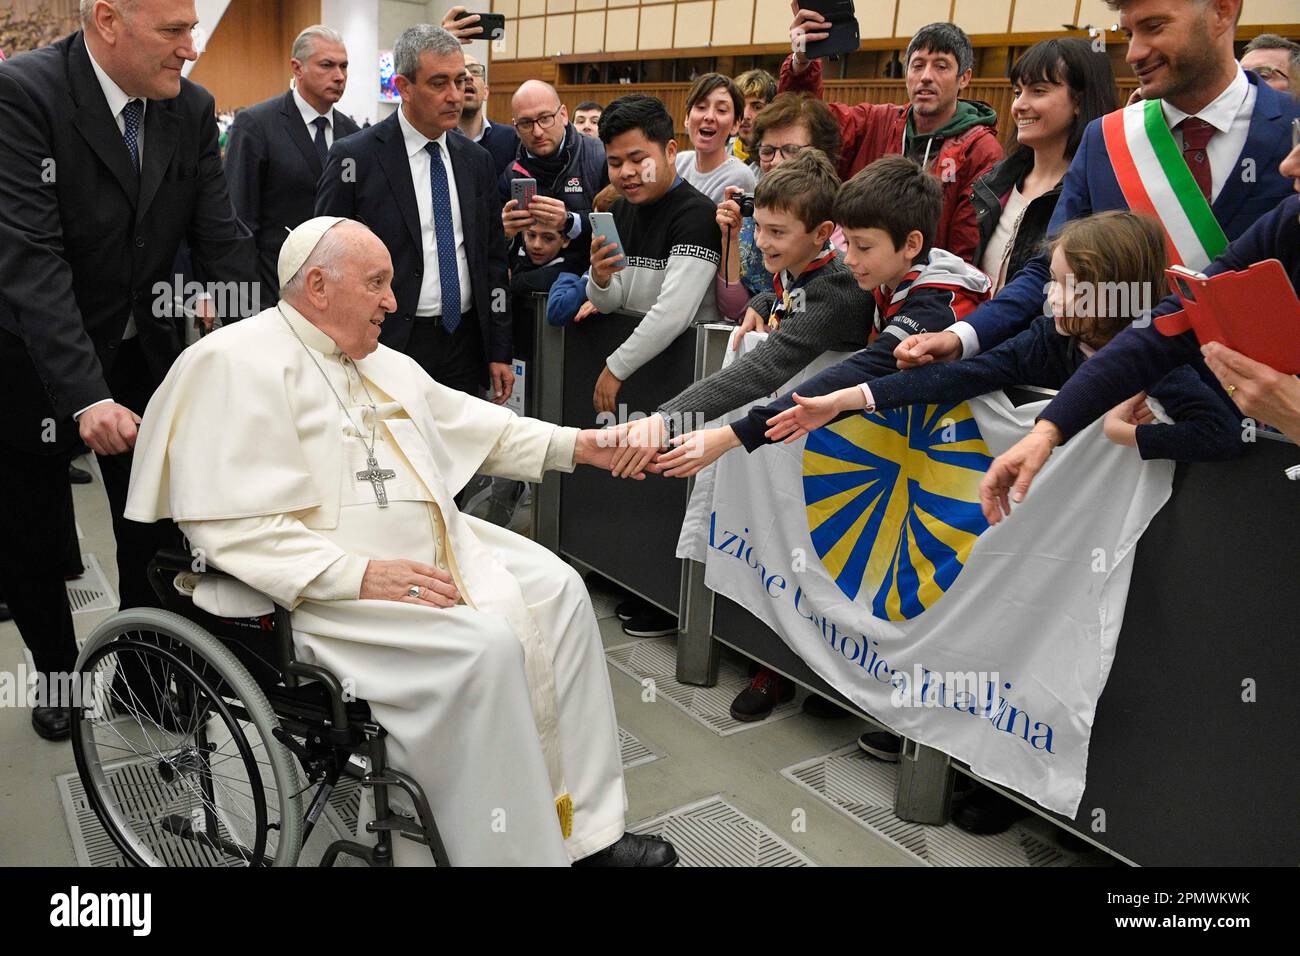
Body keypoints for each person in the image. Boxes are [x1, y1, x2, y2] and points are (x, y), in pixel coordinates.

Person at [124, 216, 677, 868]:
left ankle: (586, 835)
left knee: (559, 590)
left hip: (431, 541)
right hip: (315, 591)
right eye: (378, 283)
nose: (393, 301)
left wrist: (578, 446)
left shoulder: (380, 359)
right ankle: (500, 853)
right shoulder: (230, 361)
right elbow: (230, 527)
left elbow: (476, 427)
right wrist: (356, 575)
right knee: (485, 647)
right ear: (320, 286)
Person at [0, 0, 256, 741]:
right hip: (31, 357)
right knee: (32, 534)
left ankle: (143, 675)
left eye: (193, 28)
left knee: (152, 521)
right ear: (109, 20)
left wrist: (272, 350)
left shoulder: (190, 108)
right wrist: (85, 396)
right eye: (175, 31)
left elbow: (223, 244)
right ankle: (56, 673)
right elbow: (32, 260)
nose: (192, 48)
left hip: (142, 351)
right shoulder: (27, 95)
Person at [895, 0, 1300, 372]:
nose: (1134, 53)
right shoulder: (1107, 139)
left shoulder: (1290, 128)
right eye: (1127, 35)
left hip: (1263, 416)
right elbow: (1049, 269)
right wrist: (963, 336)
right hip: (1108, 397)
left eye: (1154, 27)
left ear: (1222, 12)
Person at [980, 126, 1300, 518]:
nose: (1288, 165)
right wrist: (1049, 431)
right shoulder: (1290, 220)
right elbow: (1161, 331)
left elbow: (1222, 436)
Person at [655, 155, 990, 475]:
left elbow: (868, 365)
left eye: (863, 246)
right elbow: (802, 296)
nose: (849, 259)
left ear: (912, 244)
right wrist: (765, 302)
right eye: (851, 244)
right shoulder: (884, 275)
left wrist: (733, 435)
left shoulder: (936, 300)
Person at [316, 24, 513, 403]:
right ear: (404, 87)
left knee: (458, 459)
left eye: (460, 81)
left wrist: (500, 348)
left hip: (464, 344)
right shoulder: (355, 158)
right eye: (439, 83)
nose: (455, 95)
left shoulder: (476, 161)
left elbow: (492, 259)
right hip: (386, 343)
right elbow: (327, 260)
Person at [780, 8, 1002, 262]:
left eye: (941, 66)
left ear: (964, 77)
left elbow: (965, 250)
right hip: (854, 272)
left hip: (926, 286)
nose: (926, 77)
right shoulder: (876, 122)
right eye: (917, 65)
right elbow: (807, 120)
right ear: (906, 74)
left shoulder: (980, 149)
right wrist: (801, 62)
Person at [587, 94, 722, 417]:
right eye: (615, 163)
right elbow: (609, 302)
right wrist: (600, 279)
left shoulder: (698, 214)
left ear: (671, 151)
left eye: (638, 159)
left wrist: (616, 367)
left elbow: (673, 313)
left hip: (684, 375)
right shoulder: (618, 209)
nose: (627, 172)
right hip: (636, 369)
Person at [224, 25, 360, 302]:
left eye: (344, 66)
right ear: (297, 68)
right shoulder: (257, 125)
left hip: (335, 293)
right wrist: (247, 300)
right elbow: (240, 219)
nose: (339, 76)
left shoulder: (353, 134)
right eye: (327, 65)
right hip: (271, 288)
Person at [972, 39, 1117, 294]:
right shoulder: (993, 182)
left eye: (1038, 91)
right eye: (1018, 92)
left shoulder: (1095, 198)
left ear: (1079, 102)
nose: (1019, 105)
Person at [715, 92, 842, 321]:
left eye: (791, 150)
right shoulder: (750, 216)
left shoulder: (846, 225)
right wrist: (730, 240)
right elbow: (734, 311)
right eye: (767, 151)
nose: (775, 160)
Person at [501, 80, 608, 276]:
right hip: (522, 292)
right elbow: (490, 247)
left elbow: (619, 226)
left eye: (545, 118)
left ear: (564, 115)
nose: (538, 131)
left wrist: (571, 222)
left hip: (587, 288)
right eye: (526, 123)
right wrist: (505, 233)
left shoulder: (600, 158)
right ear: (515, 127)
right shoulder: (510, 173)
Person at [673, 72, 756, 203]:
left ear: (735, 125)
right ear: (687, 118)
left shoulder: (739, 177)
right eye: (701, 107)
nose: (709, 116)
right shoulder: (678, 162)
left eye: (722, 110)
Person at [455, 51, 519, 178]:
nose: (468, 77)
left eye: (475, 71)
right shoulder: (439, 139)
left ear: (485, 92)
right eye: (461, 73)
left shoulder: (511, 139)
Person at [731, 68, 778, 165]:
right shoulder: (720, 153)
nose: (745, 115)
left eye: (757, 107)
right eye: (741, 105)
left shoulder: (778, 161)